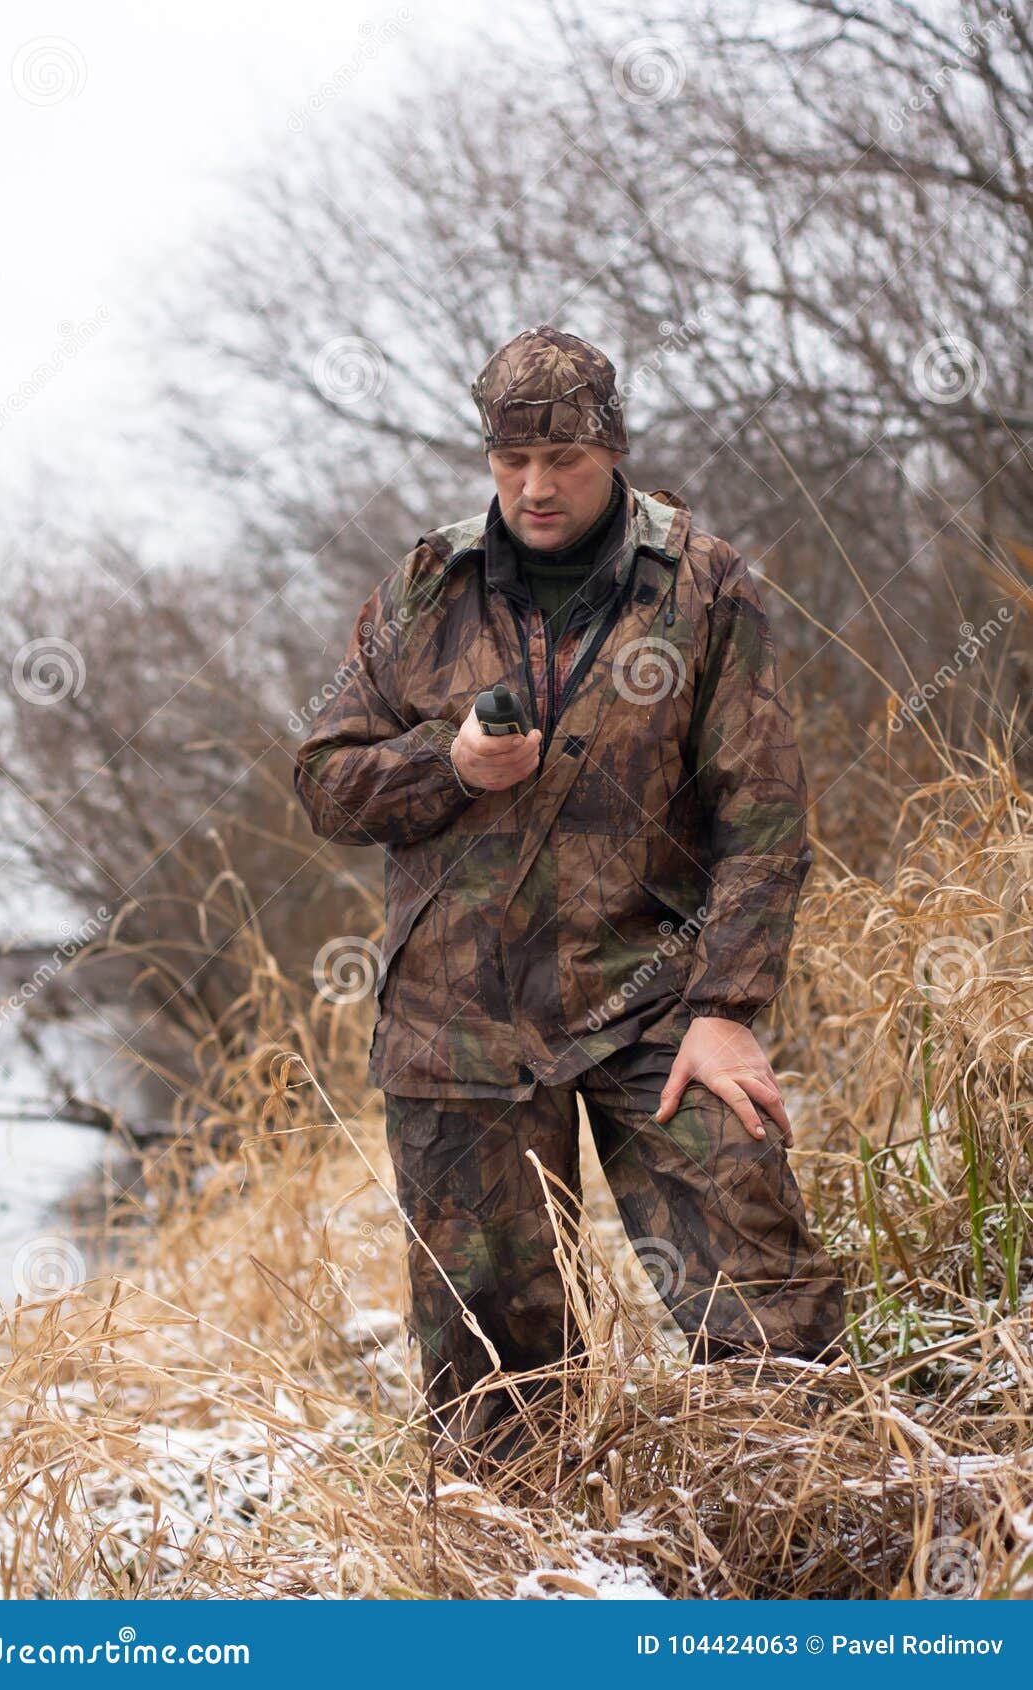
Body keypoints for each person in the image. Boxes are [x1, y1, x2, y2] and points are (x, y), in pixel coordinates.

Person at [293, 323, 847, 1454]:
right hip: (459, 1024)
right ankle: (530, 1598)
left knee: (766, 1321)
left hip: (657, 1002)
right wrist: (442, 764)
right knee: (495, 1400)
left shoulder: (701, 583)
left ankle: (808, 1563)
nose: (535, 488)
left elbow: (764, 811)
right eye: (510, 462)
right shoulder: (424, 583)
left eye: (564, 460)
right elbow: (321, 784)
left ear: (613, 449)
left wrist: (727, 1009)